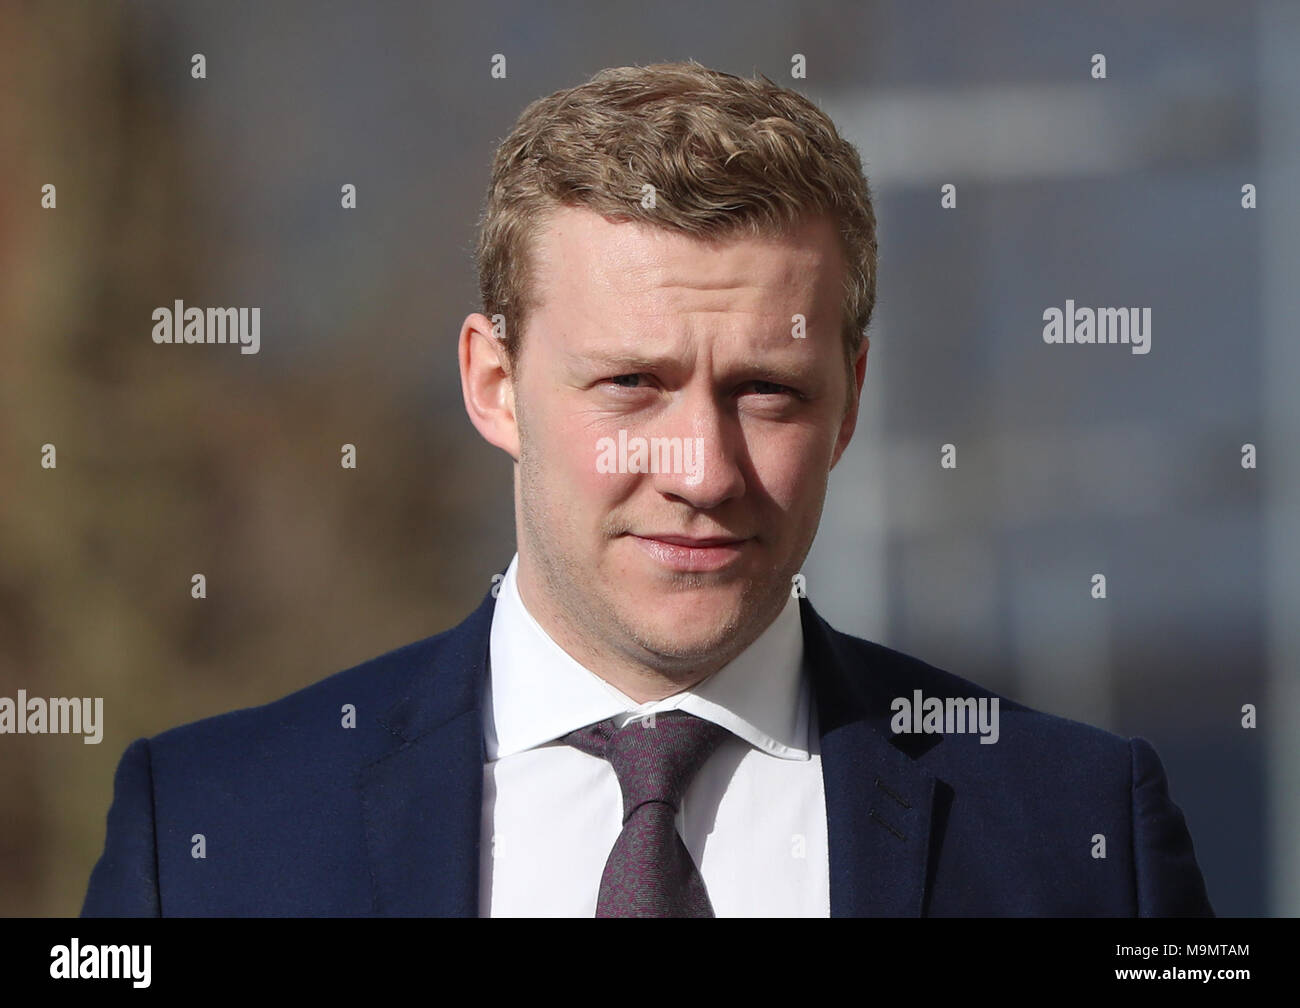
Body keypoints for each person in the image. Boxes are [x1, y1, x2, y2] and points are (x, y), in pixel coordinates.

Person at [82, 60, 1213, 917]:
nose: (704, 472)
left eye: (767, 392)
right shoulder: (210, 837)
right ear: (494, 384)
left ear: (851, 397)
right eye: (631, 385)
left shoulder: (1076, 833)